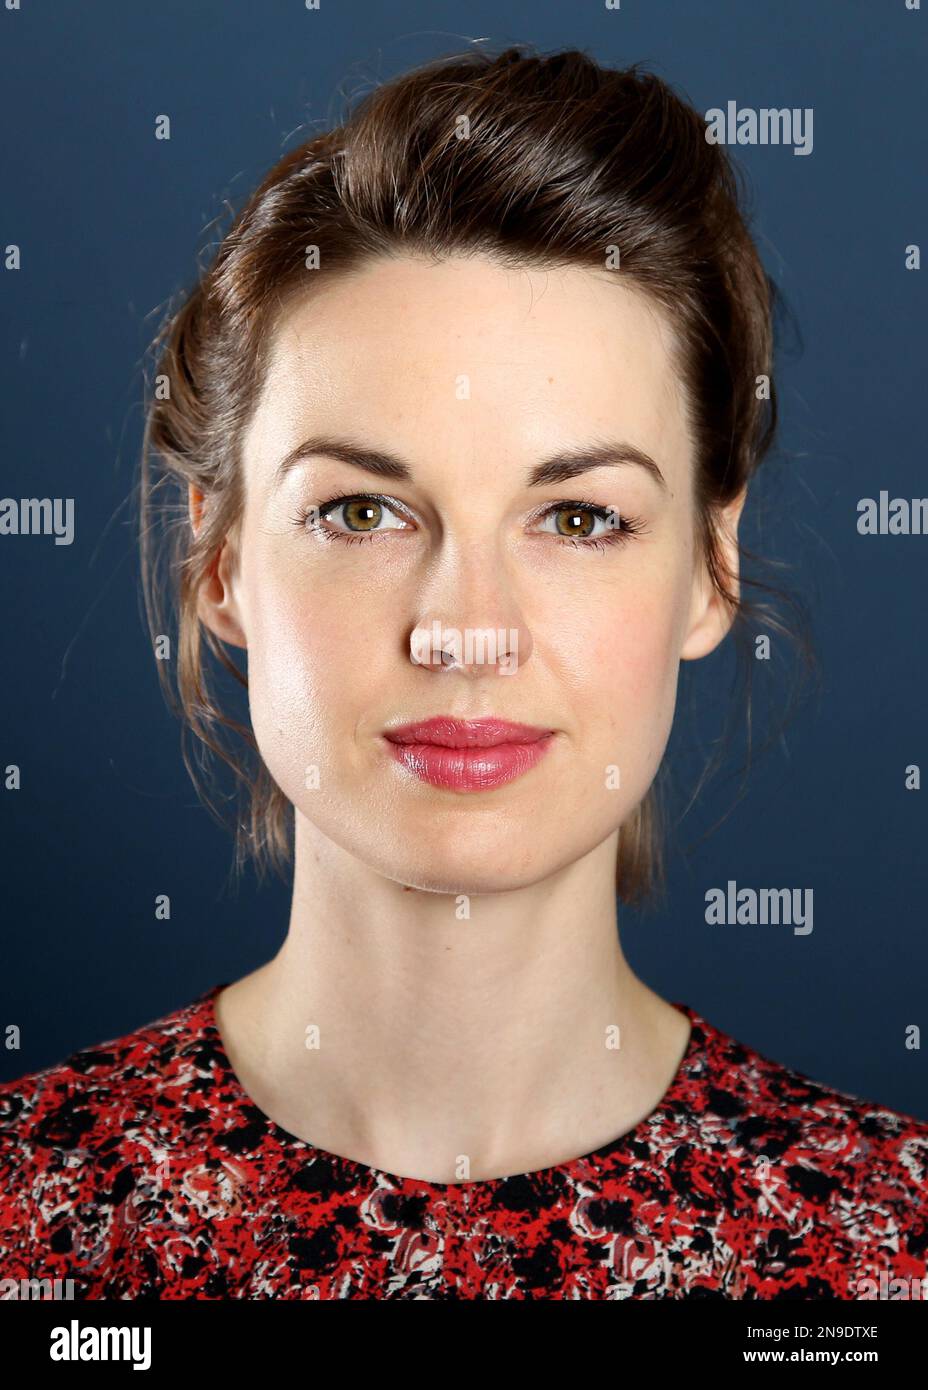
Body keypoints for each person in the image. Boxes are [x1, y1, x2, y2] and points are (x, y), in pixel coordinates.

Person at [1, 45, 925, 1302]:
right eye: (363, 513)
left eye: (580, 518)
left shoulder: (889, 1250)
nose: (466, 631)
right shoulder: (28, 1224)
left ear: (712, 566)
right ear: (215, 561)